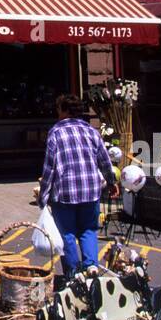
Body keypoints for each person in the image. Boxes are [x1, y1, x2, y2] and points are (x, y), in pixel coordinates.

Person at [40, 93, 115, 275]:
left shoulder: (55, 133)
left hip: (65, 193)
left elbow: (50, 168)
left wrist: (43, 197)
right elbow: (104, 160)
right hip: (91, 190)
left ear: (64, 110)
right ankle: (91, 266)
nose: (57, 113)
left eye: (58, 109)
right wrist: (112, 182)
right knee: (88, 230)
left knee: (67, 234)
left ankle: (73, 274)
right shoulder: (91, 131)